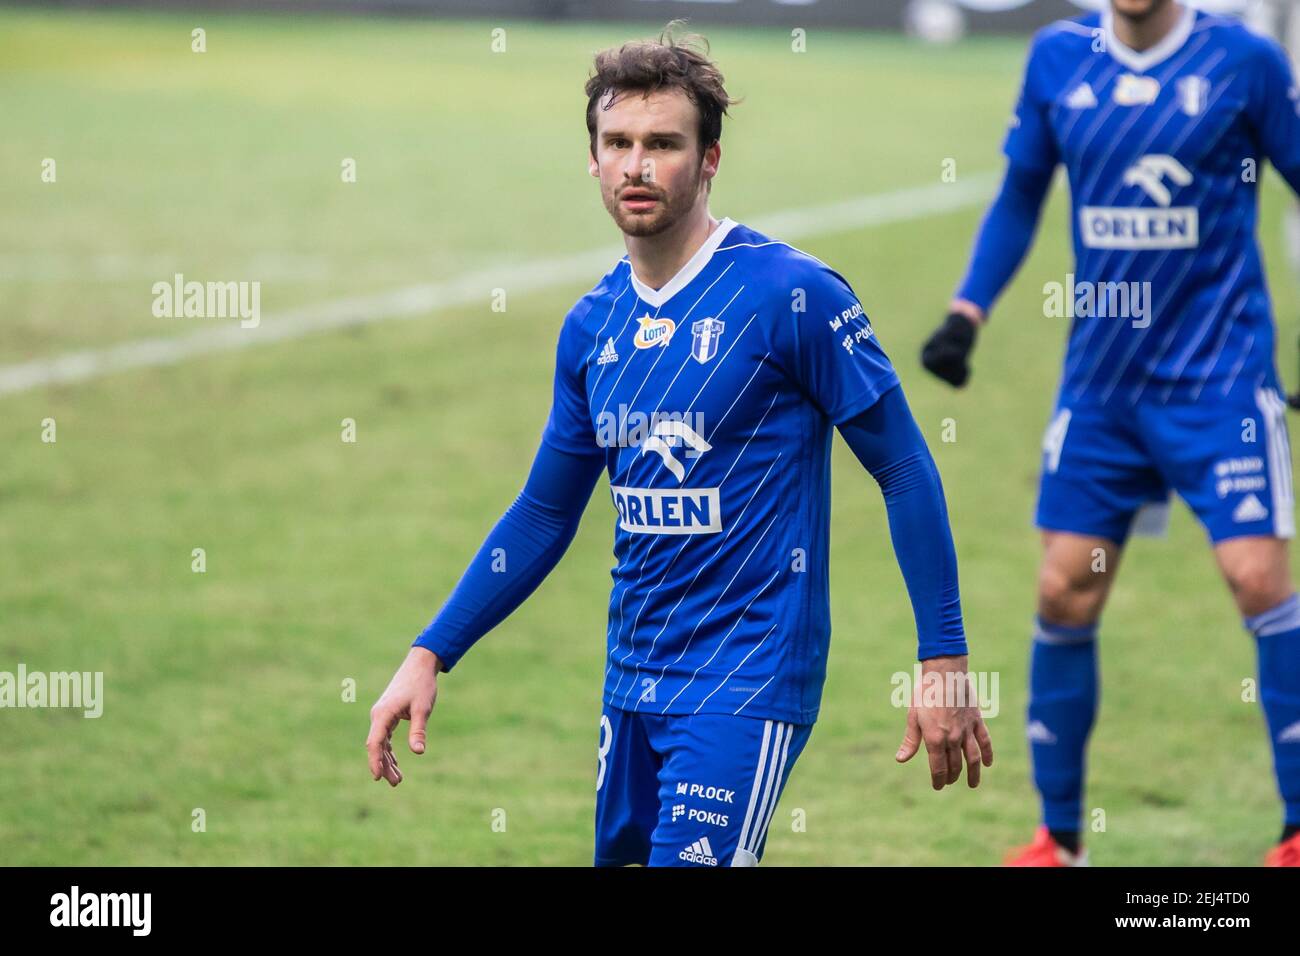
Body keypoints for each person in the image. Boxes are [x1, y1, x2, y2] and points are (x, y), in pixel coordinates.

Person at [367, 22, 992, 867]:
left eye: (663, 144)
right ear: (593, 160)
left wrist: (942, 658)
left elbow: (905, 468)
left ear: (709, 160)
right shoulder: (593, 326)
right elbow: (545, 513)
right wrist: (430, 651)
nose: (636, 165)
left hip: (747, 678)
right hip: (632, 680)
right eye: (617, 143)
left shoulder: (792, 296)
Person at [921, 0, 1300, 866]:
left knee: (1257, 578)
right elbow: (1021, 194)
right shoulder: (1059, 59)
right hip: (1102, 388)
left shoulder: (1243, 63)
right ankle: (1060, 841)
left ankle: (1297, 830)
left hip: (1219, 380)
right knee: (1065, 590)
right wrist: (967, 312)